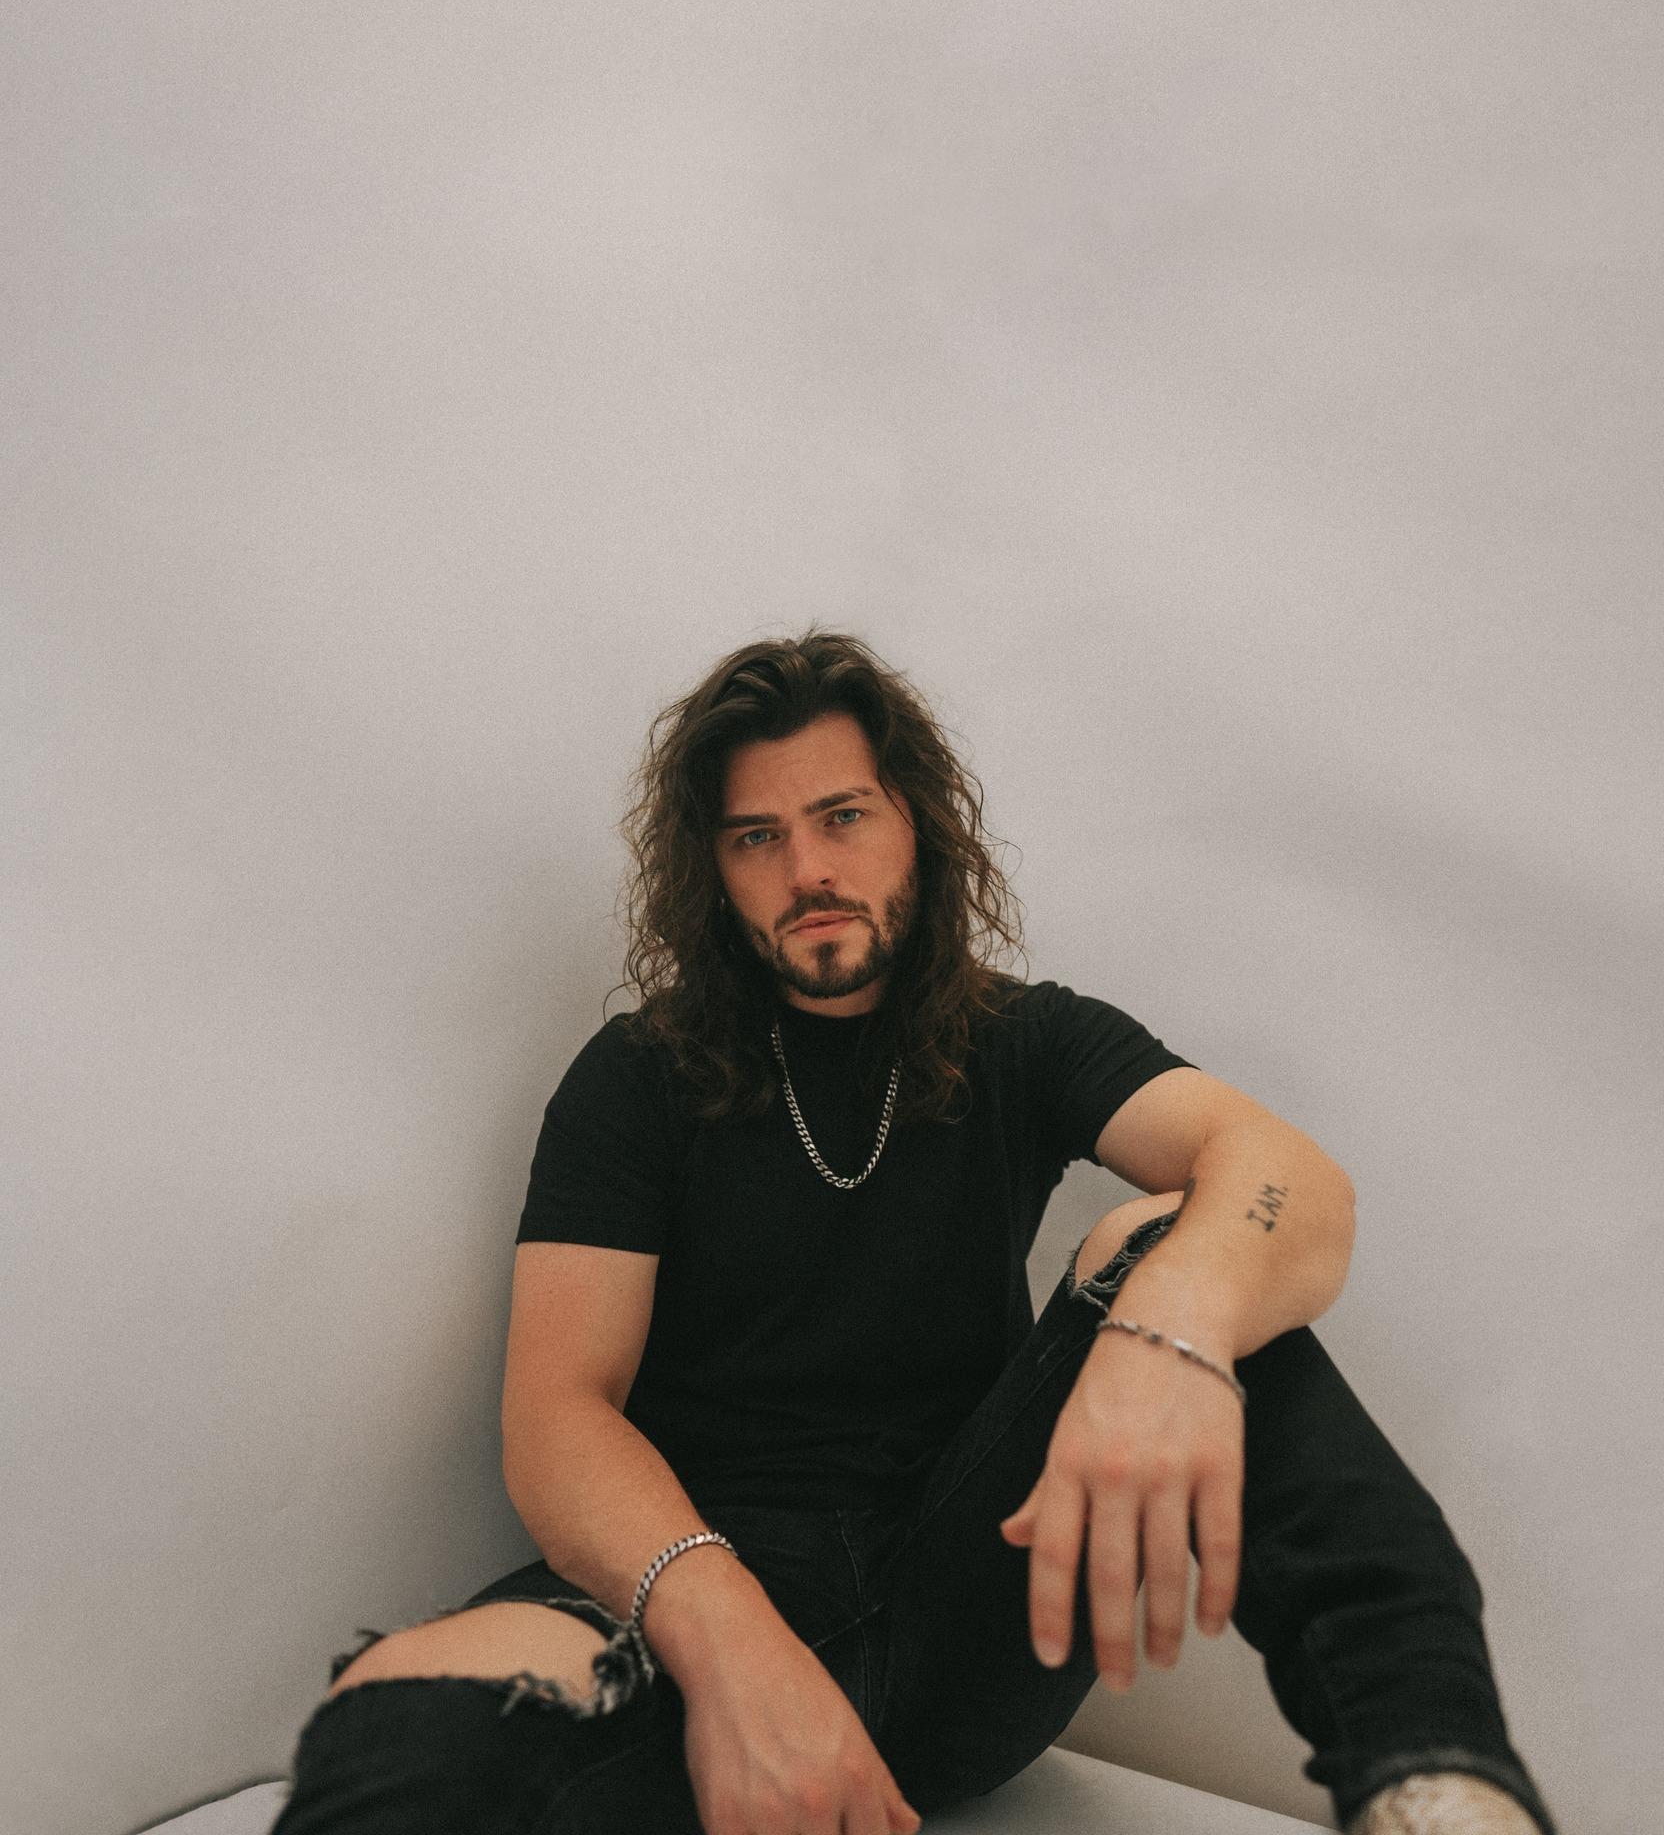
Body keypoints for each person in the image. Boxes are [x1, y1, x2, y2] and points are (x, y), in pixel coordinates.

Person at [271, 629, 1559, 1835]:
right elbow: (557, 1416)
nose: (807, 872)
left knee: (1185, 1242)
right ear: (713, 872)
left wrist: (1168, 1331)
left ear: (917, 830)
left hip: (975, 1606)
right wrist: (738, 1656)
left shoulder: (1022, 1039)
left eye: (843, 817)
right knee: (397, 1719)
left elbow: (1291, 1181)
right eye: (757, 837)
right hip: (696, 1599)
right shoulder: (636, 1078)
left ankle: (1436, 1783)